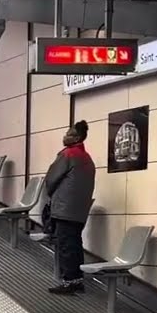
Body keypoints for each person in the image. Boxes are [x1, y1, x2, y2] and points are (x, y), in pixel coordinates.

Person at [43, 121, 96, 294]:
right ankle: (77, 280)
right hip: (79, 211)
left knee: (66, 245)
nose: (65, 136)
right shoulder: (87, 158)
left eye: (69, 134)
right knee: (75, 244)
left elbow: (51, 178)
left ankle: (69, 282)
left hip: (65, 209)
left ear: (78, 138)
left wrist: (51, 195)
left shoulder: (68, 155)